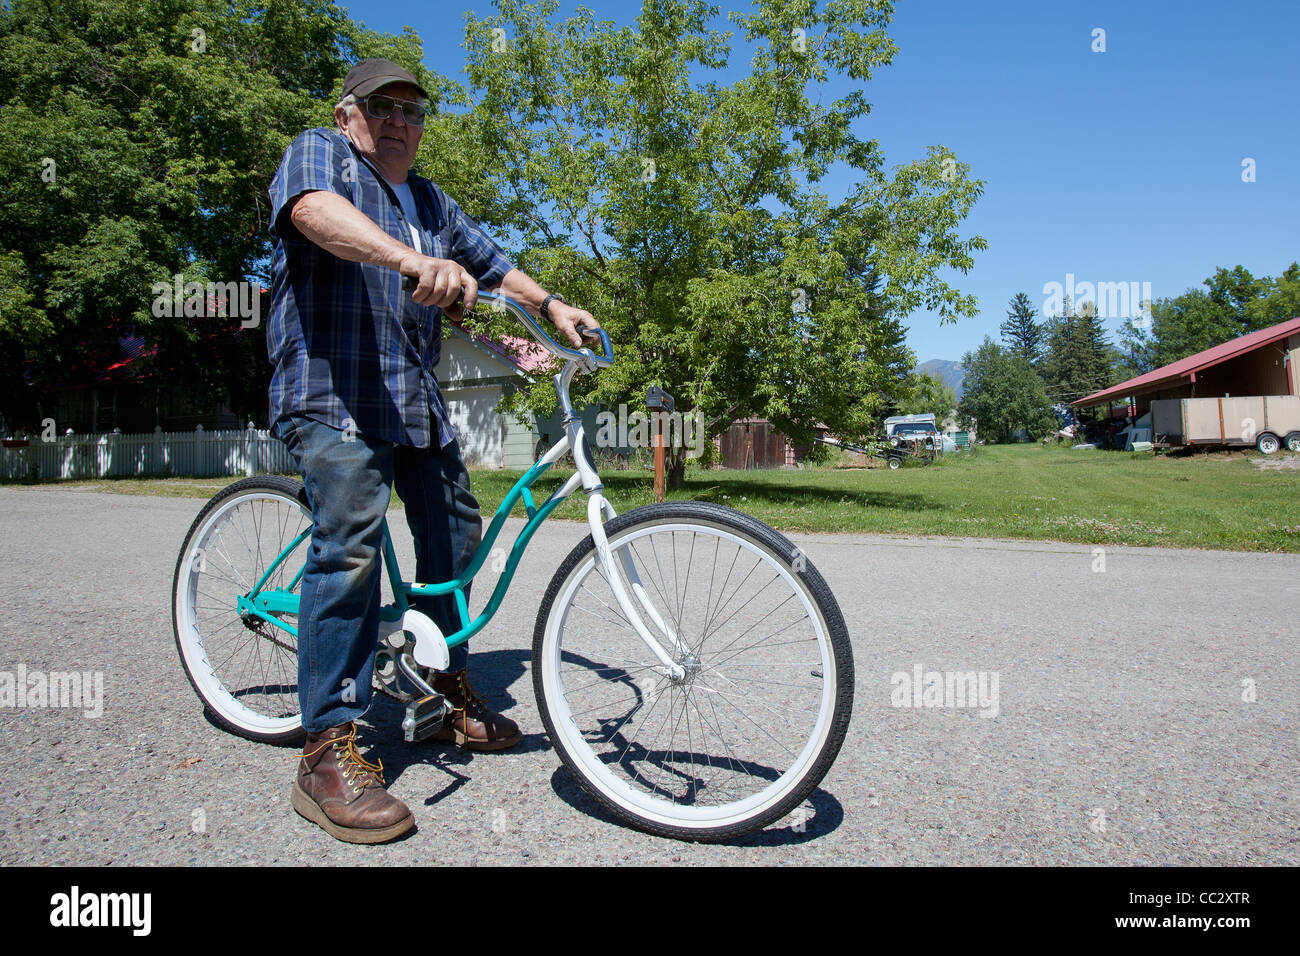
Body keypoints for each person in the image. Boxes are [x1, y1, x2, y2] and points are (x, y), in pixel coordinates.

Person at [266, 58, 598, 844]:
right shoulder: (320, 155)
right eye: (382, 106)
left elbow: (490, 263)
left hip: (412, 398)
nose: (399, 122)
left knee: (453, 533)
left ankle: (440, 692)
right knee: (348, 543)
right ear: (350, 114)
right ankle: (325, 751)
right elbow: (313, 213)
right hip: (333, 387)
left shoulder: (430, 201)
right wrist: (409, 259)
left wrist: (550, 304)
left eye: (414, 110)